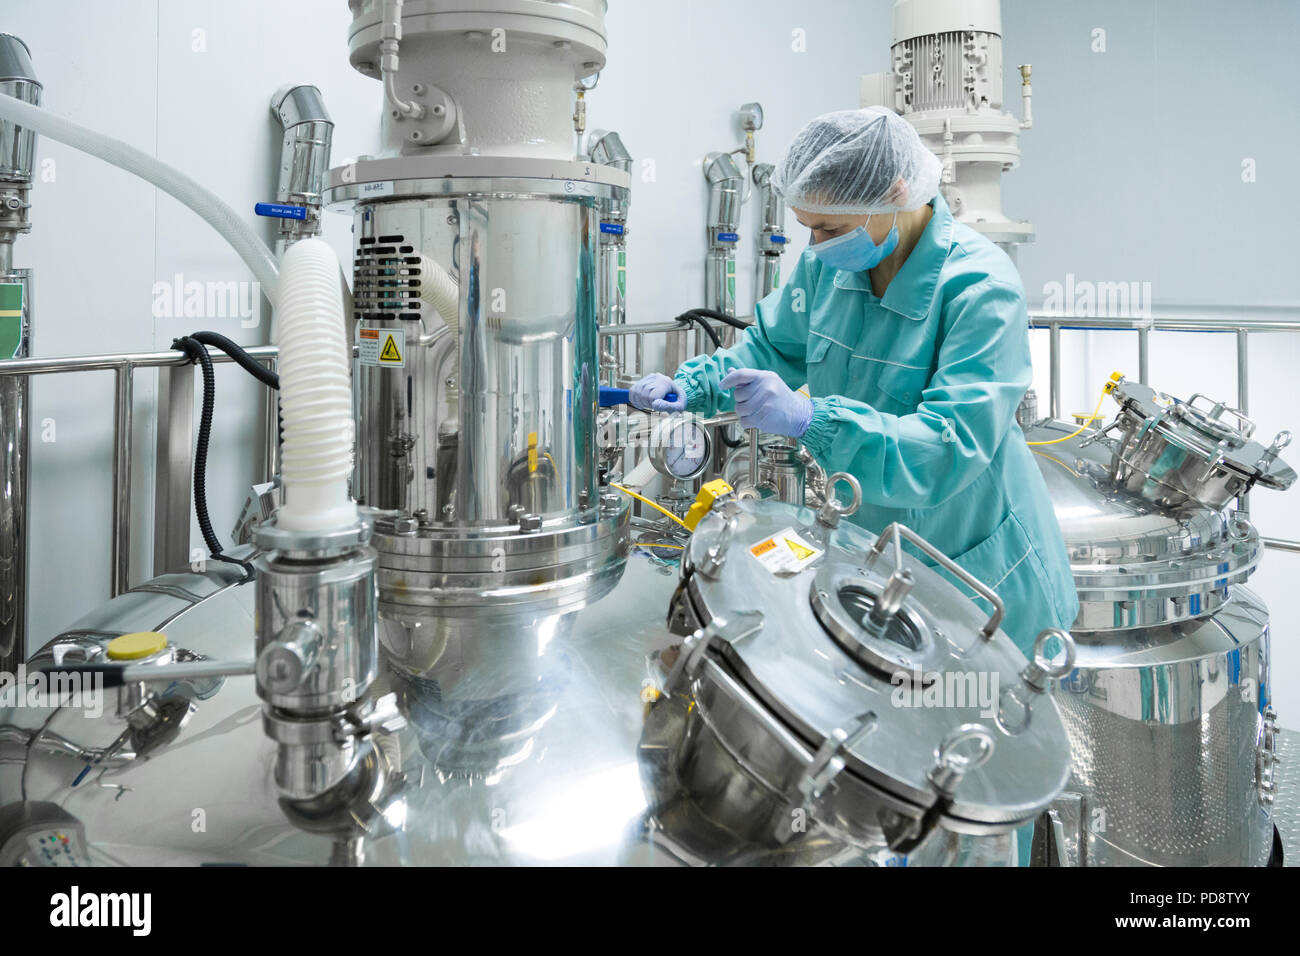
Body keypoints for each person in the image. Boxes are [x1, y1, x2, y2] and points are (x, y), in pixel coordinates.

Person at [630, 108, 1078, 864]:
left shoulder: (980, 290)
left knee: (962, 800)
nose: (814, 244)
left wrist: (813, 421)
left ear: (896, 193)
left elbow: (948, 450)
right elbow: (769, 345)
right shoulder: (827, 269)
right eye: (807, 227)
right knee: (877, 777)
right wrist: (690, 384)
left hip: (975, 580)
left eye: (827, 227)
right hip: (874, 567)